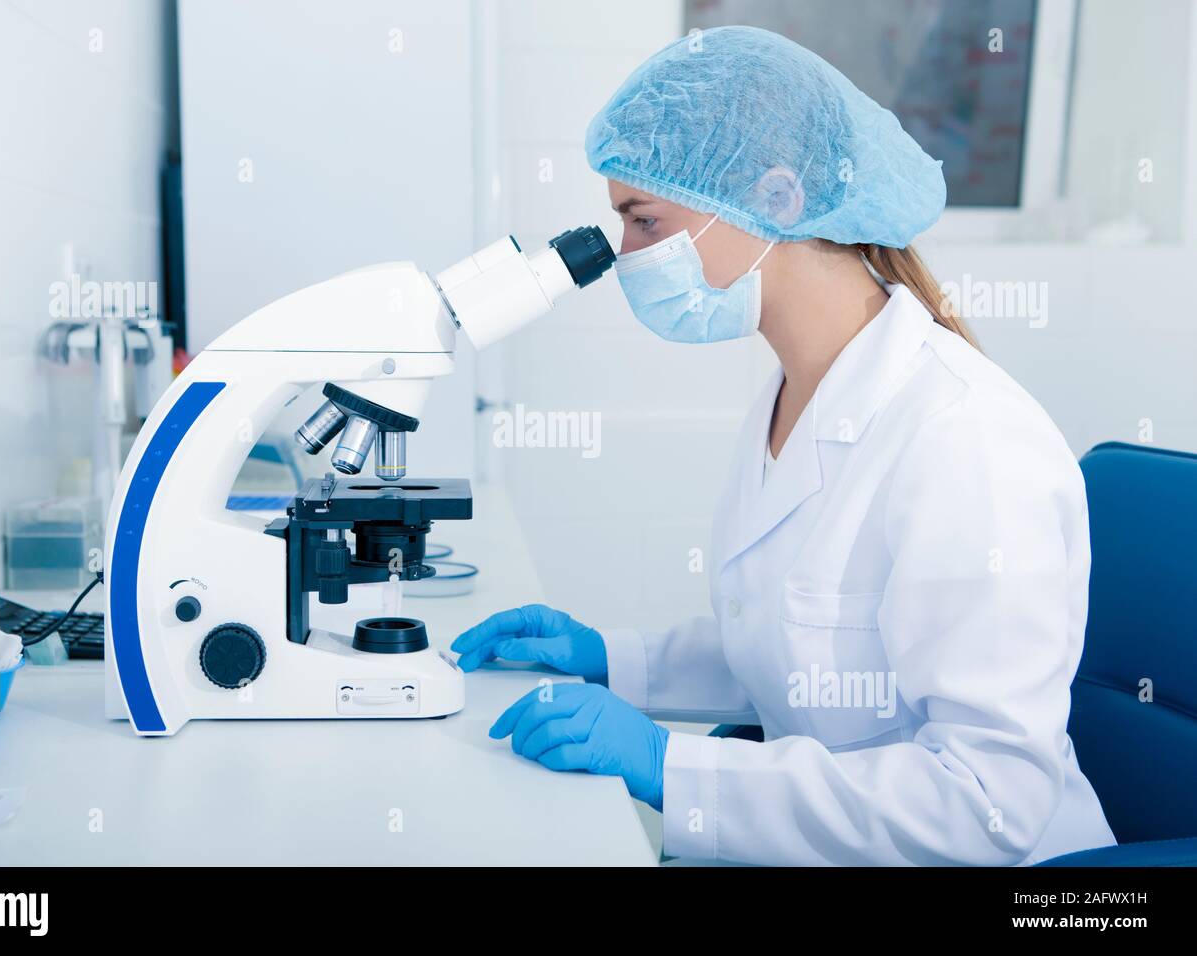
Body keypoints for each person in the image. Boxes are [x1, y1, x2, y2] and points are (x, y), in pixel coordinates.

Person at [453, 26, 1116, 866]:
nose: (625, 258)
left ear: (777, 197)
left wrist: (673, 766)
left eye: (644, 220)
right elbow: (805, 656)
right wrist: (614, 662)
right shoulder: (797, 388)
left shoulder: (965, 438)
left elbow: (985, 804)